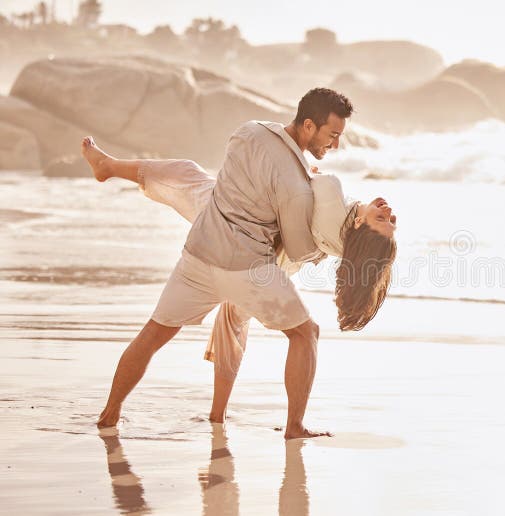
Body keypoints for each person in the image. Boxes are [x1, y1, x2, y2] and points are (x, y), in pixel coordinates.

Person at [89, 88, 394, 439]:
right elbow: (295, 248)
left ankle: (109, 415)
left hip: (199, 254)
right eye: (332, 136)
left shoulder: (249, 130)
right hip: (245, 268)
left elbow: (230, 184)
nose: (335, 146)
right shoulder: (297, 187)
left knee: (153, 334)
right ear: (309, 126)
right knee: (305, 334)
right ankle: (294, 427)